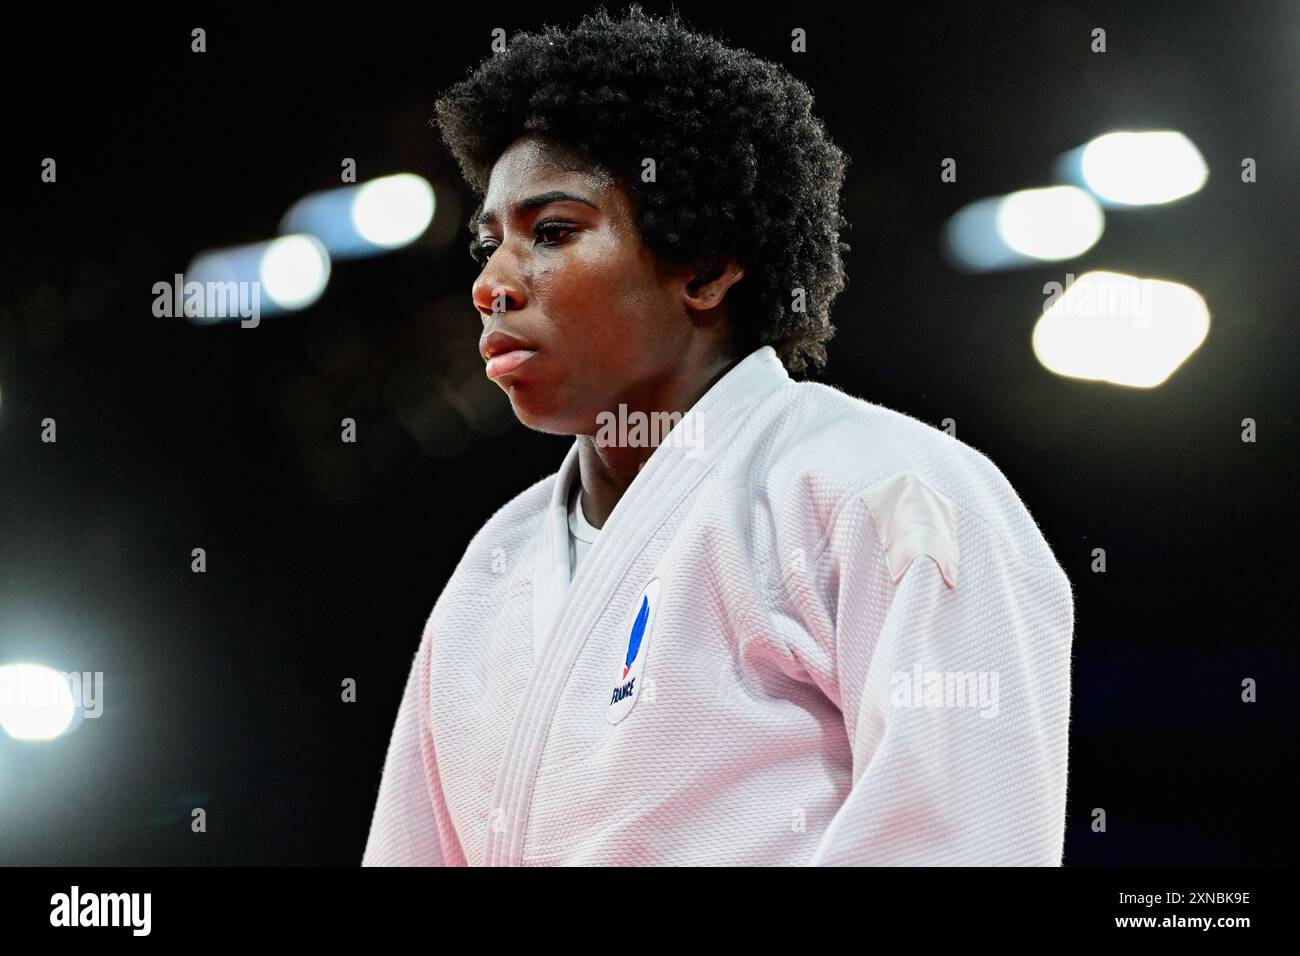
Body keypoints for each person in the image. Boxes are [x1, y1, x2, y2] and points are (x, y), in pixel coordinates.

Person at [362, 4, 1074, 866]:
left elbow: (962, 844)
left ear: (703, 266)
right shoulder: (492, 568)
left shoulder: (888, 490)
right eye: (488, 243)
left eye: (552, 232)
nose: (492, 285)